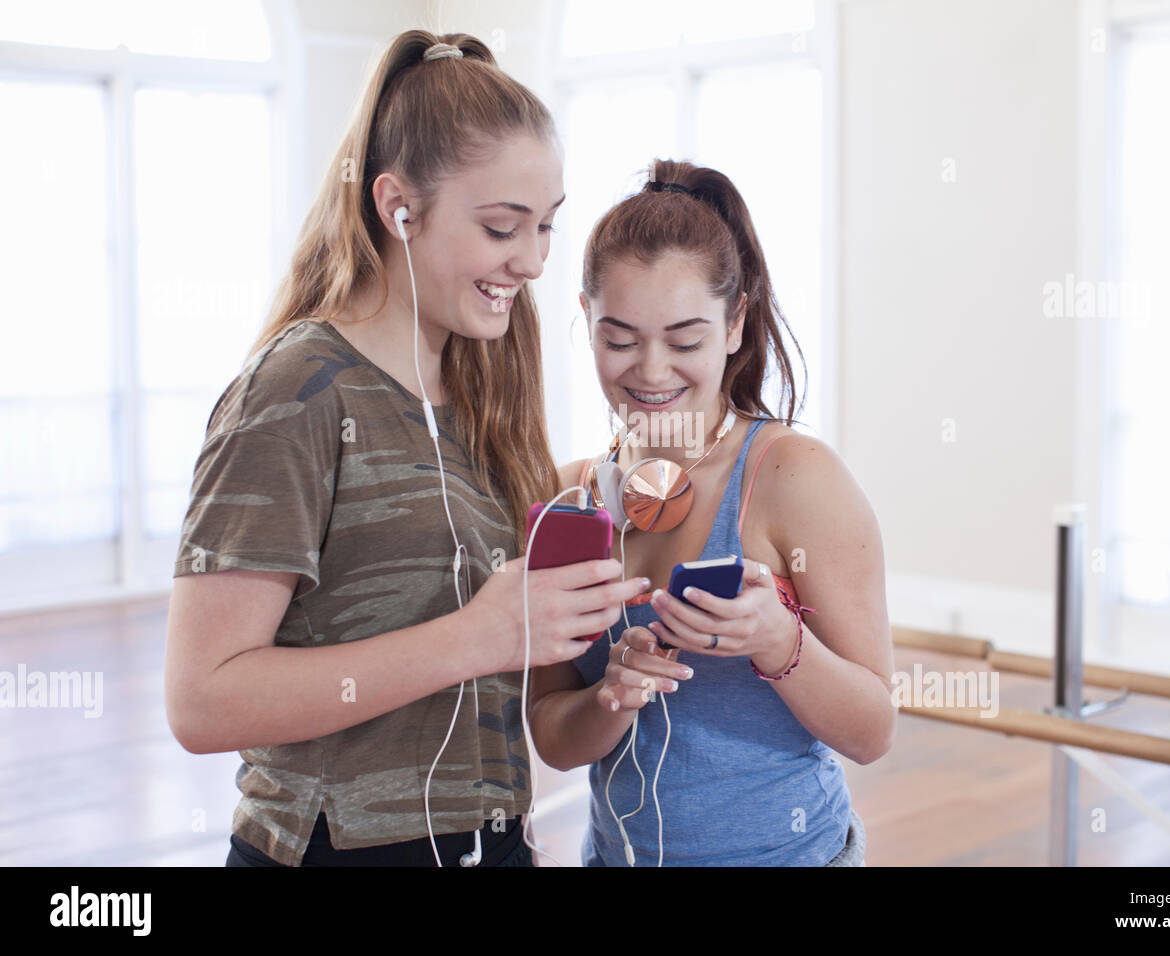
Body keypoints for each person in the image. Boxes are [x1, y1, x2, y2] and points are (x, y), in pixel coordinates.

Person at [163, 30, 646, 868]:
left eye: (545, 227)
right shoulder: (297, 391)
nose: (530, 261)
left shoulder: (487, 382)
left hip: (491, 842)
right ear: (398, 207)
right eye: (502, 227)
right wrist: (479, 636)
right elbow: (201, 702)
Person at [528, 159, 896, 866]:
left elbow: (873, 731)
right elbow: (552, 733)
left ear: (735, 325)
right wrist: (610, 696)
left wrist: (778, 642)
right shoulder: (569, 498)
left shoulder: (794, 478)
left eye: (685, 340)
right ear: (586, 319)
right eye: (621, 338)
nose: (653, 371)